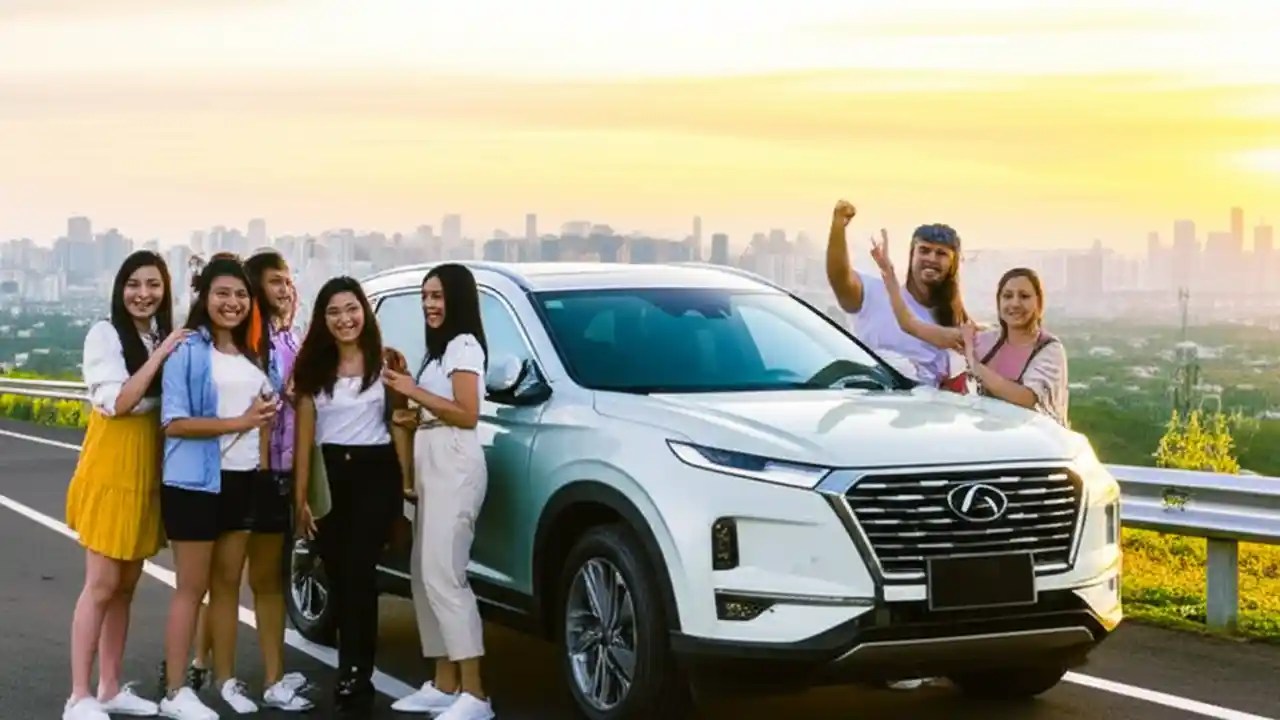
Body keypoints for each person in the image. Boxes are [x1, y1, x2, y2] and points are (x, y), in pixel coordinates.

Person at [185, 250, 313, 712]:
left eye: (289, 281)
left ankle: (272, 678)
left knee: (266, 579)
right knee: (224, 578)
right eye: (277, 282)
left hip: (276, 474)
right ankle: (212, 669)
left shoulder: (287, 337)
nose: (287, 289)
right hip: (242, 473)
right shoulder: (245, 346)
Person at [62, 251, 187, 720]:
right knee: (101, 584)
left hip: (146, 472)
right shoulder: (106, 335)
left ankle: (110, 686)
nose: (143, 294)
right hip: (112, 468)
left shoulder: (155, 334)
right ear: (120, 289)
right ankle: (79, 695)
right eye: (134, 284)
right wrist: (161, 354)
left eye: (153, 285)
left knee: (127, 587)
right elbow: (116, 401)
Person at [158, 256, 277, 720]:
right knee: (191, 588)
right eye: (222, 294)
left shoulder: (250, 353)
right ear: (204, 298)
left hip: (244, 480)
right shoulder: (188, 349)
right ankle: (174, 693)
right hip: (195, 481)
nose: (233, 303)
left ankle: (226, 681)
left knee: (228, 586)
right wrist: (240, 421)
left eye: (241, 295)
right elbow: (174, 422)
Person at [383, 263, 495, 720]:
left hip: (455, 464)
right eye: (426, 296)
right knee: (424, 576)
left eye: (439, 296)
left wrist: (413, 391)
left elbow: (467, 413)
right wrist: (409, 389)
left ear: (458, 300)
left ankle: (476, 694)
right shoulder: (439, 351)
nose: (430, 304)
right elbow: (437, 406)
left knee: (446, 577)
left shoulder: (465, 345)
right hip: (432, 463)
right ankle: (444, 682)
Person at [291, 276, 408, 712]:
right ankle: (351, 667)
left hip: (376, 476)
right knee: (339, 576)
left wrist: (406, 490)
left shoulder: (387, 361)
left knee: (361, 573)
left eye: (351, 308)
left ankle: (357, 674)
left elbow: (400, 423)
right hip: (330, 477)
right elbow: (305, 440)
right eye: (334, 312)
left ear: (364, 311)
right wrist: (300, 499)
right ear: (323, 320)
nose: (345, 319)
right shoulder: (312, 369)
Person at [869, 236, 1070, 425]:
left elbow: (1025, 398)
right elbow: (910, 325)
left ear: (1039, 303)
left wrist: (975, 365)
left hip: (1037, 448)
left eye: (1024, 296)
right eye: (1007, 296)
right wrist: (889, 275)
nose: (1015, 303)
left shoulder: (1048, 349)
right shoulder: (986, 340)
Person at [825, 199, 969, 391]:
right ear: (912, 255)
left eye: (941, 253)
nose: (931, 259)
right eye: (924, 250)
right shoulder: (876, 293)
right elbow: (840, 279)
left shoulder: (955, 320)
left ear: (953, 263)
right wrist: (838, 228)